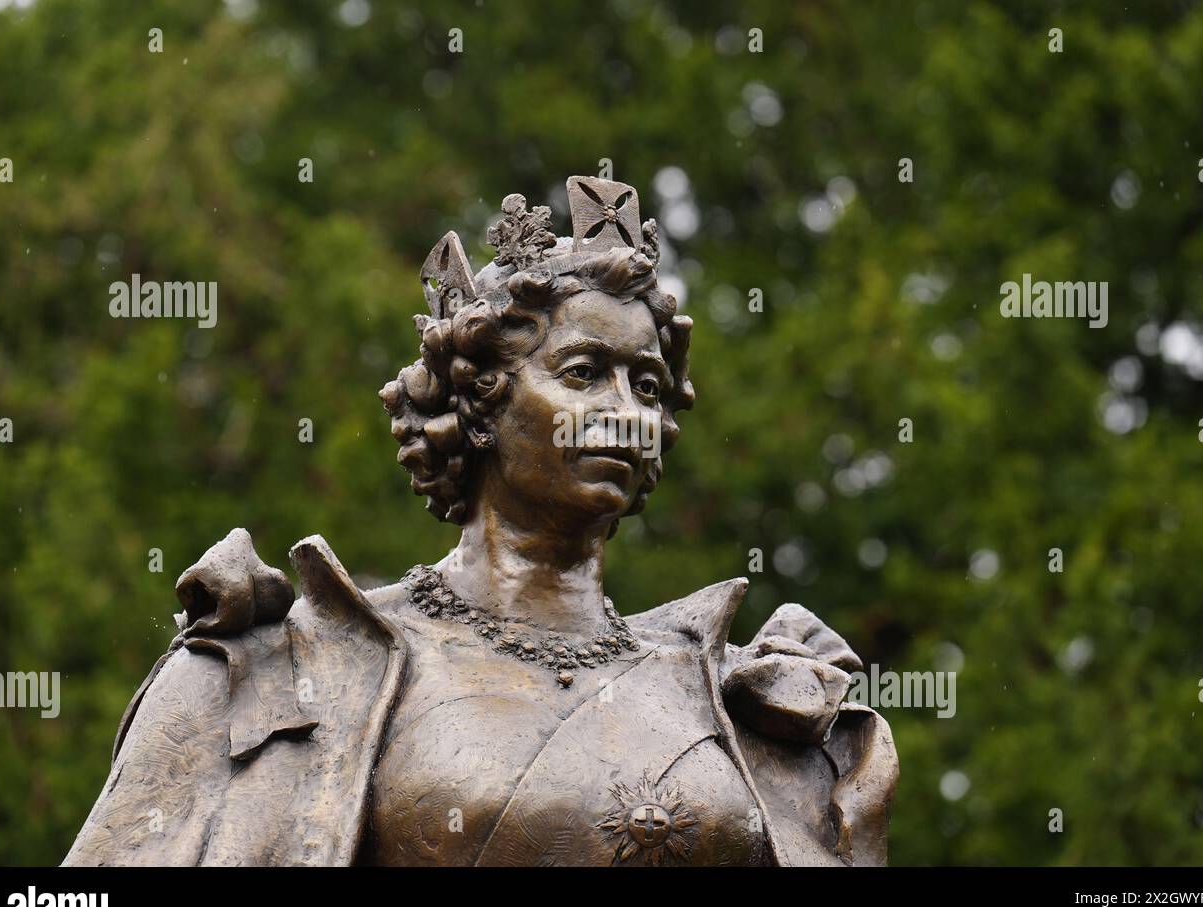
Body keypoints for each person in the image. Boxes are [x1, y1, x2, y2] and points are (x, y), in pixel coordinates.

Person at [64, 176, 897, 867]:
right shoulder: (285, 669)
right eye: (584, 373)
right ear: (481, 405)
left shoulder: (739, 696)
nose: (627, 413)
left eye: (647, 387)